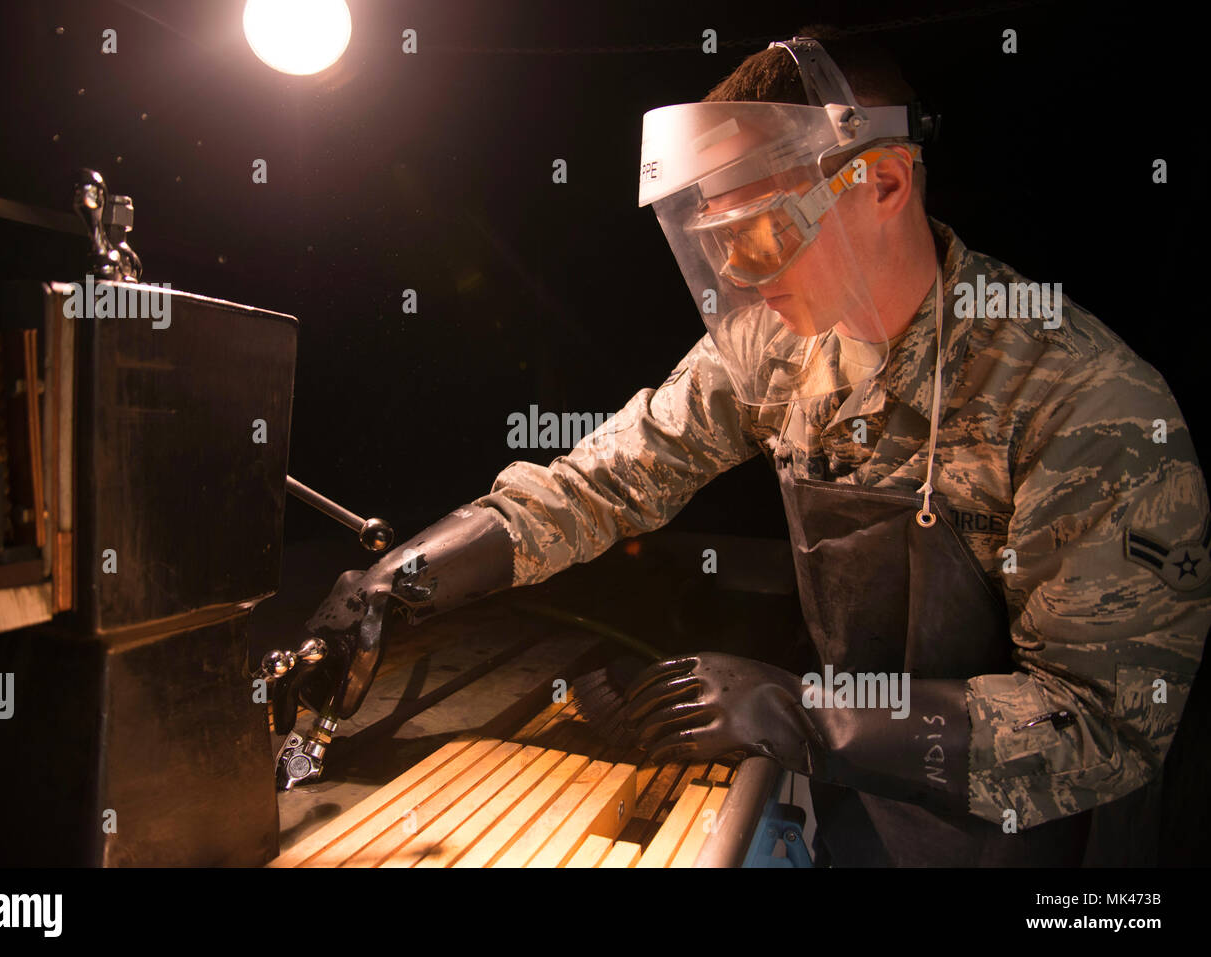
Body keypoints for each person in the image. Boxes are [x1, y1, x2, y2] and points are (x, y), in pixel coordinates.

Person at [280, 31, 1211, 866]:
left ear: (883, 182)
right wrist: (401, 578)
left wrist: (804, 713)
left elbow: (1103, 726)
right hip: (871, 818)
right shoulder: (779, 345)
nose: (734, 272)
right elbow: (606, 479)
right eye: (717, 237)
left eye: (763, 231)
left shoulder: (1086, 402)